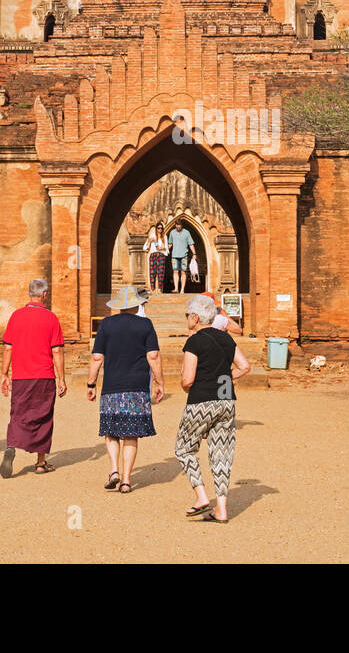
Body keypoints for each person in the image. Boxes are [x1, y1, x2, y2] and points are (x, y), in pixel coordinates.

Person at [175, 293, 250, 523]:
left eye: (188, 315)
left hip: (202, 399)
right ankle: (222, 509)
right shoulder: (226, 338)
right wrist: (224, 379)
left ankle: (201, 497)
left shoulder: (194, 341)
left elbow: (188, 380)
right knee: (221, 455)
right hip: (226, 399)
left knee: (184, 449)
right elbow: (244, 366)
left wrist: (192, 387)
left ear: (196, 318)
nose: (187, 318)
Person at [88, 285, 164, 494]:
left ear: (119, 306)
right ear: (136, 304)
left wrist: (91, 383)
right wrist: (159, 382)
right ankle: (126, 480)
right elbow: (153, 356)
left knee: (111, 431)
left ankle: (114, 470)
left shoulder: (106, 324)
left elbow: (97, 357)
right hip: (137, 388)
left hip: (112, 386)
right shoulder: (145, 325)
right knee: (131, 435)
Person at [0, 278, 67, 477]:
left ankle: (12, 445)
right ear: (44, 294)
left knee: (18, 413)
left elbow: (7, 348)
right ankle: (40, 462)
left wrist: (4, 374)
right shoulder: (51, 318)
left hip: (21, 375)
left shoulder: (16, 316)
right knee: (44, 416)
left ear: (29, 293)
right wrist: (61, 378)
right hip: (44, 375)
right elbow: (57, 351)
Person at [168, 219, 196, 294]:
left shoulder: (186, 233)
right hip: (174, 255)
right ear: (175, 225)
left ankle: (182, 290)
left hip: (184, 255)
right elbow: (170, 244)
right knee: (175, 271)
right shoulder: (172, 233)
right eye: (177, 225)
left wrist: (194, 253)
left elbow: (191, 244)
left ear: (181, 225)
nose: (178, 226)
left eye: (179, 225)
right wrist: (164, 250)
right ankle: (176, 288)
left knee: (183, 272)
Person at [144, 223, 169, 293]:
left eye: (161, 228)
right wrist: (149, 241)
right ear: (156, 228)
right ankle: (153, 290)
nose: (160, 230)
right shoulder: (152, 236)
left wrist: (161, 248)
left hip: (161, 255)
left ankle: (160, 290)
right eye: (158, 228)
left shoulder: (164, 237)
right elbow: (145, 247)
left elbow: (166, 249)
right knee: (152, 273)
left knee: (160, 272)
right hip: (153, 255)